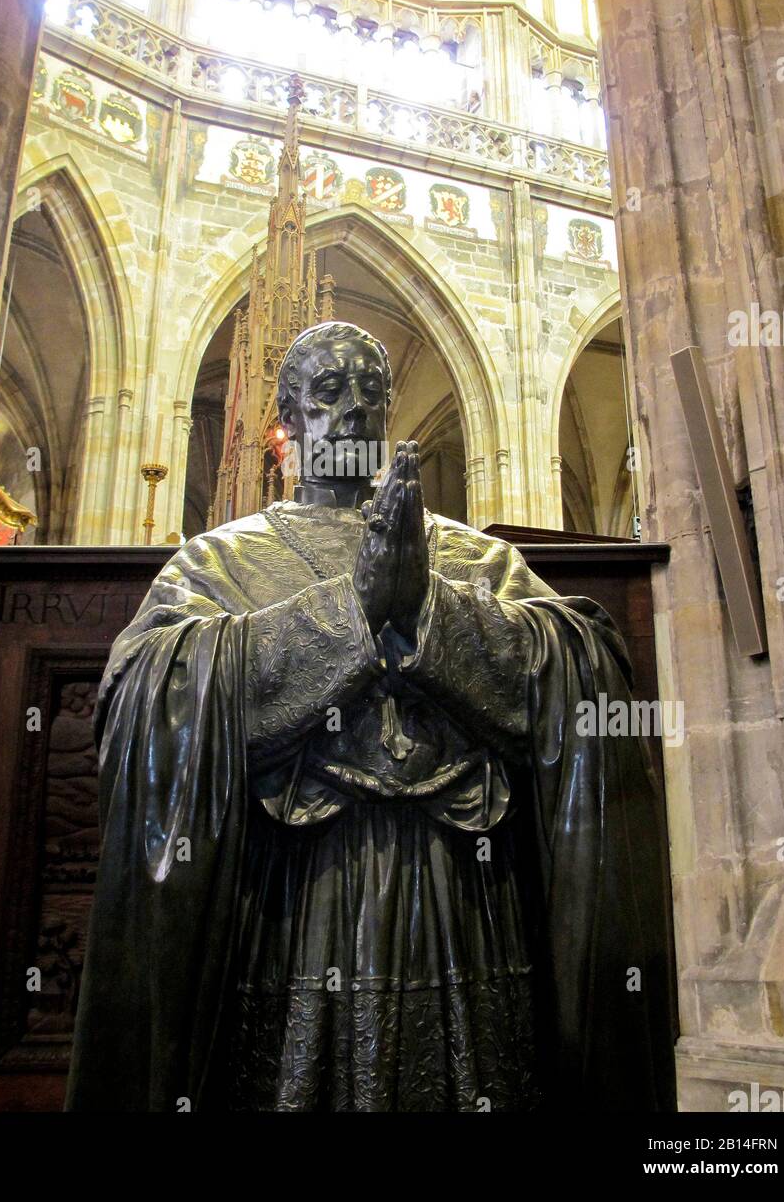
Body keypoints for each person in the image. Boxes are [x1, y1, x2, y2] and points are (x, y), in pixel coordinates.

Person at [67, 320, 674, 1112]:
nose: (353, 409)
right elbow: (151, 695)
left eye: (371, 392)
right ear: (288, 416)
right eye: (328, 391)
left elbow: (581, 667)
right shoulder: (219, 562)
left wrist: (430, 610)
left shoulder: (473, 559)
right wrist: (349, 612)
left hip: (459, 900)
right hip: (295, 901)